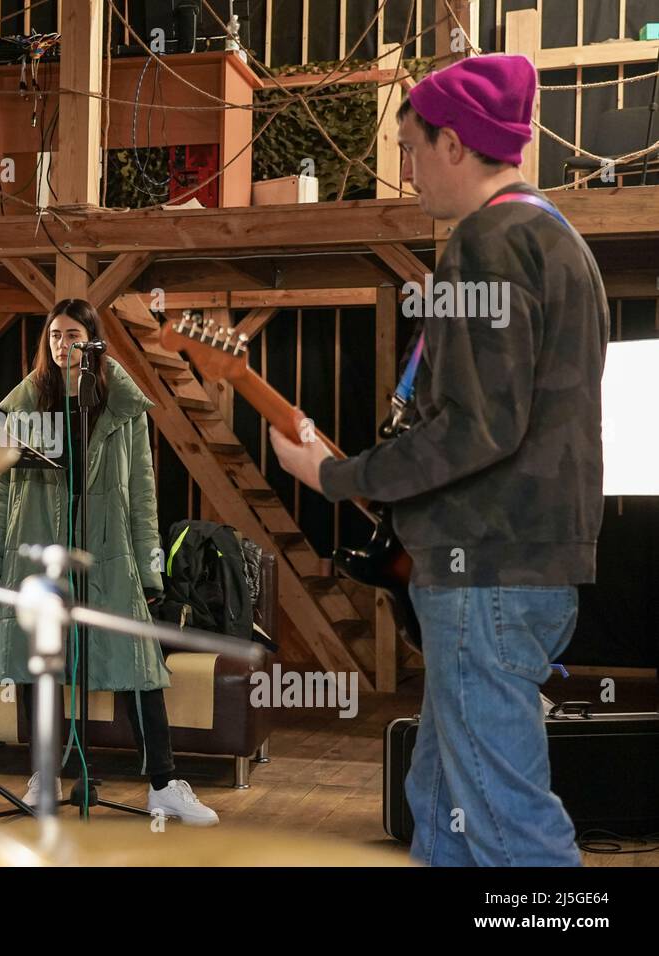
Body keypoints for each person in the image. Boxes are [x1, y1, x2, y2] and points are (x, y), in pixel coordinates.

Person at [271, 54, 608, 865]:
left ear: (454, 144)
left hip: (485, 572)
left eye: (410, 148)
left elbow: (476, 428)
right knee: (442, 802)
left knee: (504, 818)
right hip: (527, 566)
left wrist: (332, 475)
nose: (406, 171)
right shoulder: (556, 239)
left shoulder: (489, 242)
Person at [0, 298, 219, 825]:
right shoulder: (21, 404)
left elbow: (142, 490)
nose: (62, 345)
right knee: (38, 669)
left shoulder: (121, 406)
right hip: (37, 550)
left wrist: (151, 568)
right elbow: (1, 491)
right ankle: (45, 775)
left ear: (92, 341)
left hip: (108, 557)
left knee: (139, 669)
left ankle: (163, 784)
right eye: (54, 336)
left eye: (72, 335)